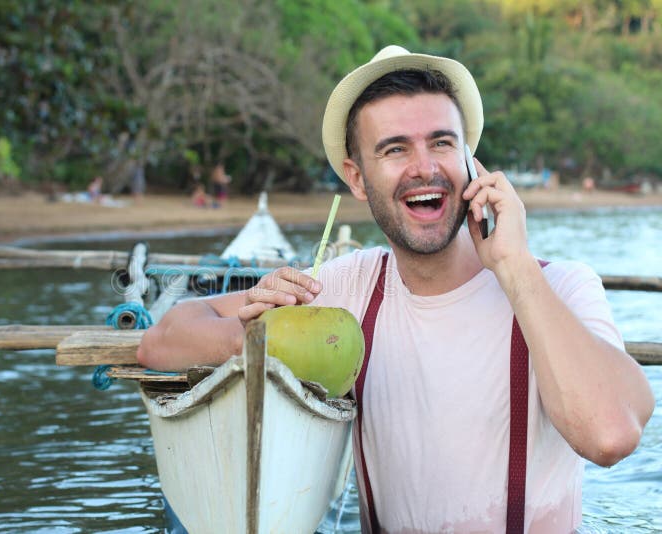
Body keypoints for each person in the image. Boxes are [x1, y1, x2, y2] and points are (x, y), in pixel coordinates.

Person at [137, 46, 654, 533]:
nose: (424, 167)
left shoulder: (558, 285)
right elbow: (162, 339)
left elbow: (610, 435)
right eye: (395, 149)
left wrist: (514, 268)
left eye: (442, 142)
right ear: (357, 179)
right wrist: (255, 338)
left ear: (472, 164)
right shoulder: (347, 288)